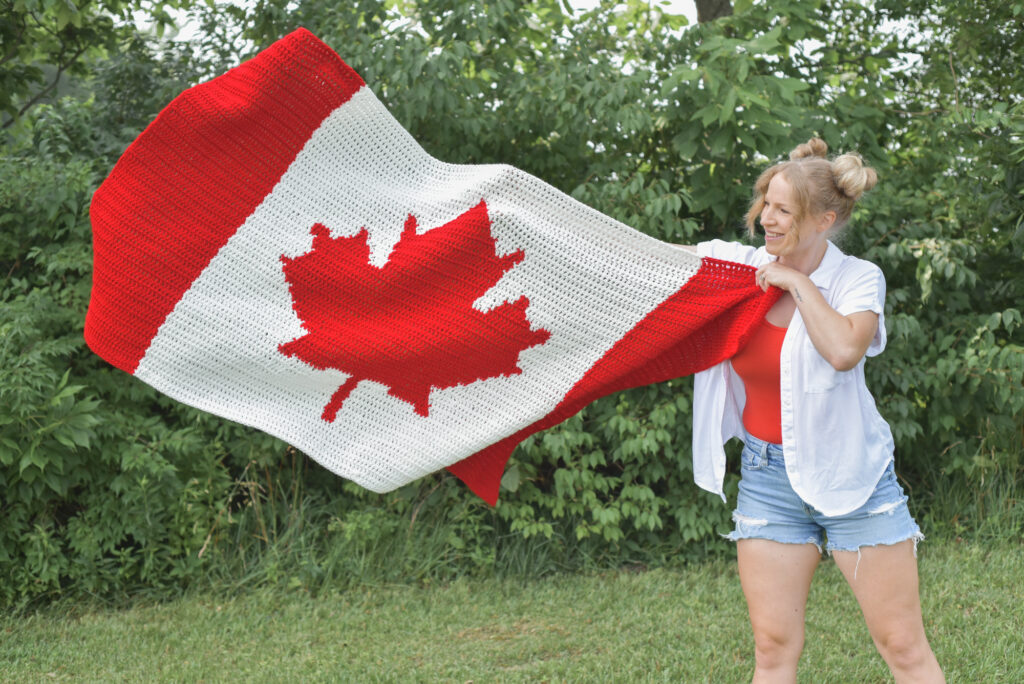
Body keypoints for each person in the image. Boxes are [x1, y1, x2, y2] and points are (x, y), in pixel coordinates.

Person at [681, 138, 944, 683]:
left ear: (824, 220)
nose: (766, 219)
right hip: (766, 478)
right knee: (772, 648)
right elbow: (648, 267)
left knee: (901, 645)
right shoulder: (738, 269)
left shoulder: (857, 279)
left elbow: (844, 350)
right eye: (766, 203)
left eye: (784, 210)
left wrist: (798, 282)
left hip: (853, 477)